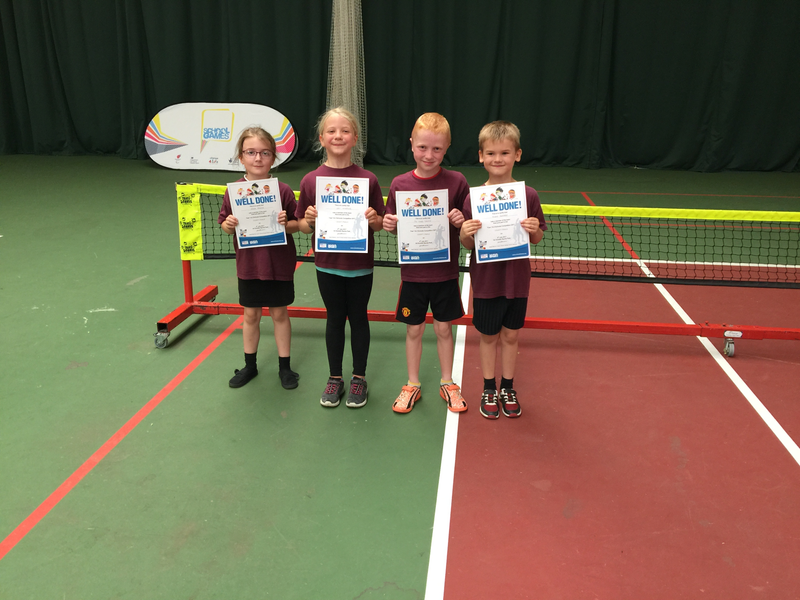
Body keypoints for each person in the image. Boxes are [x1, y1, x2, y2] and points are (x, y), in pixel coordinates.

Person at [296, 107, 385, 408]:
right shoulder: (311, 181)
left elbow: (379, 223)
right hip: (327, 265)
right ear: (321, 138)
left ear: (355, 138)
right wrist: (309, 218)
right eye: (331, 131)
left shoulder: (368, 180)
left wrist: (374, 218)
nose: (338, 135)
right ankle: (335, 378)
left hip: (360, 266)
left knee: (358, 318)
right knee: (334, 319)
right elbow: (304, 225)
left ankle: (359, 378)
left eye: (344, 131)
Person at [459, 121, 547, 419]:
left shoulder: (529, 196)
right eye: (492, 153)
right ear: (481, 156)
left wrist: (534, 229)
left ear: (517, 155)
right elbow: (468, 245)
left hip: (517, 280)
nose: (498, 159)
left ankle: (507, 386)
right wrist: (465, 231)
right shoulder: (474, 198)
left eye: (505, 153)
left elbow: (536, 237)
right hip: (486, 281)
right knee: (488, 336)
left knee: (511, 336)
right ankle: (488, 387)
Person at [383, 113, 469, 414]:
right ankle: (413, 384)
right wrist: (389, 223)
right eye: (422, 148)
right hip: (414, 274)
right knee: (414, 330)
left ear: (446, 148)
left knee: (444, 329)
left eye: (436, 149)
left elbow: (467, 224)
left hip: (445, 274)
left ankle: (448, 382)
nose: (428, 155)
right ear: (411, 145)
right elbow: (390, 220)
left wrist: (461, 221)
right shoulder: (399, 183)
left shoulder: (457, 182)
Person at [218, 127, 300, 390]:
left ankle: (285, 368)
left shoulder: (283, 190)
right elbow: (223, 223)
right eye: (251, 152)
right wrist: (229, 224)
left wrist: (287, 223)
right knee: (250, 315)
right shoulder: (234, 192)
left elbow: (298, 225)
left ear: (273, 158)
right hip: (249, 267)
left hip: (278, 266)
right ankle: (250, 365)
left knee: (279, 314)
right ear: (241, 157)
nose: (258, 158)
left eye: (265, 153)